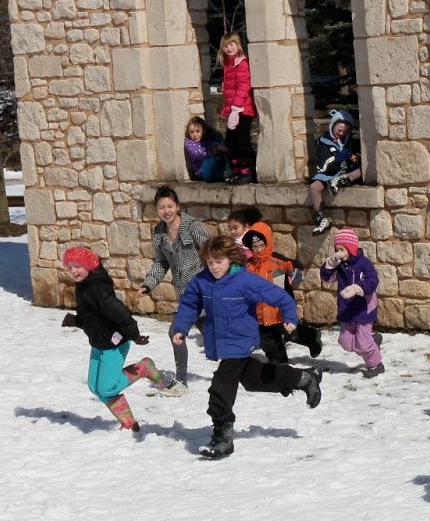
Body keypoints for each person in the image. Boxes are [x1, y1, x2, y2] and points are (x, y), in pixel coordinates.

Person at [172, 236, 323, 459]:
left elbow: (280, 297)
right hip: (221, 342)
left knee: (220, 387)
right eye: (210, 262)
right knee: (254, 379)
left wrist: (290, 318)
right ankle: (301, 378)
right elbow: (189, 305)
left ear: (230, 260)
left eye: (219, 262)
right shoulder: (202, 281)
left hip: (240, 339)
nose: (214, 267)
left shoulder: (244, 280)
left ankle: (223, 435)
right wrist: (181, 328)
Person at [60, 246, 174, 432]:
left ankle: (145, 367)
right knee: (95, 387)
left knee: (107, 388)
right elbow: (94, 317)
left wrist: (134, 334)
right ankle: (129, 423)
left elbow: (118, 311)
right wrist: (77, 321)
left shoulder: (96, 287)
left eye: (78, 266)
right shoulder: (83, 285)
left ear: (88, 265)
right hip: (99, 342)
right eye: (70, 266)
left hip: (114, 343)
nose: (73, 271)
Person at [137, 185, 211, 387]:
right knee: (212, 337)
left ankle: (181, 380)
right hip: (184, 294)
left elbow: (213, 253)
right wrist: (148, 284)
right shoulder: (159, 232)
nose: (166, 211)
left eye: (170, 206)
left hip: (202, 290)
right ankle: (240, 369)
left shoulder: (192, 226)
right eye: (162, 207)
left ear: (177, 206)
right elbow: (161, 262)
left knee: (176, 332)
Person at [319, 228, 384, 377]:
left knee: (362, 344)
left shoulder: (364, 264)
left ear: (351, 248)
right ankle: (371, 342)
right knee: (345, 342)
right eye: (337, 249)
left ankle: (375, 365)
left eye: (342, 249)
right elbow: (327, 278)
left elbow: (372, 281)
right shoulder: (340, 265)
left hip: (363, 309)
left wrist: (357, 288)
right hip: (346, 310)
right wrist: (329, 265)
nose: (339, 252)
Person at [241, 222, 301, 365]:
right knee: (266, 341)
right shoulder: (248, 266)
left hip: (278, 312)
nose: (258, 250)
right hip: (260, 313)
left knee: (290, 335)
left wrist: (296, 272)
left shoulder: (277, 260)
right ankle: (278, 361)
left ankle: (311, 339)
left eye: (261, 245)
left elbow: (294, 268)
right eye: (255, 247)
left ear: (267, 243)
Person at [308, 109, 361, 235]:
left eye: (344, 131)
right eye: (339, 130)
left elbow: (357, 155)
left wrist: (355, 158)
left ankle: (342, 180)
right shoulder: (323, 142)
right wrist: (337, 160)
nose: (341, 133)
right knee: (314, 187)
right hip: (328, 173)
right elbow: (323, 166)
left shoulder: (349, 141)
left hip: (346, 172)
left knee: (363, 170)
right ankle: (321, 218)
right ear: (333, 126)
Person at [218, 32, 257, 184]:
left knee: (242, 141)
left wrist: (236, 106)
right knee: (230, 143)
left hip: (242, 109)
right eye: (226, 46)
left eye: (231, 44)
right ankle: (237, 170)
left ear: (238, 45)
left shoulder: (241, 63)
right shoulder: (228, 65)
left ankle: (247, 171)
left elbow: (243, 85)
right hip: (233, 110)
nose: (229, 48)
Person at [183, 116, 227, 182]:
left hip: (216, 166)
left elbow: (220, 144)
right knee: (209, 162)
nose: (195, 134)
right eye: (192, 132)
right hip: (202, 171)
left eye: (198, 131)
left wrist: (220, 147)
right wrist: (216, 148)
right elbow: (198, 154)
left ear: (203, 131)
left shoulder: (210, 139)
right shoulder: (189, 142)